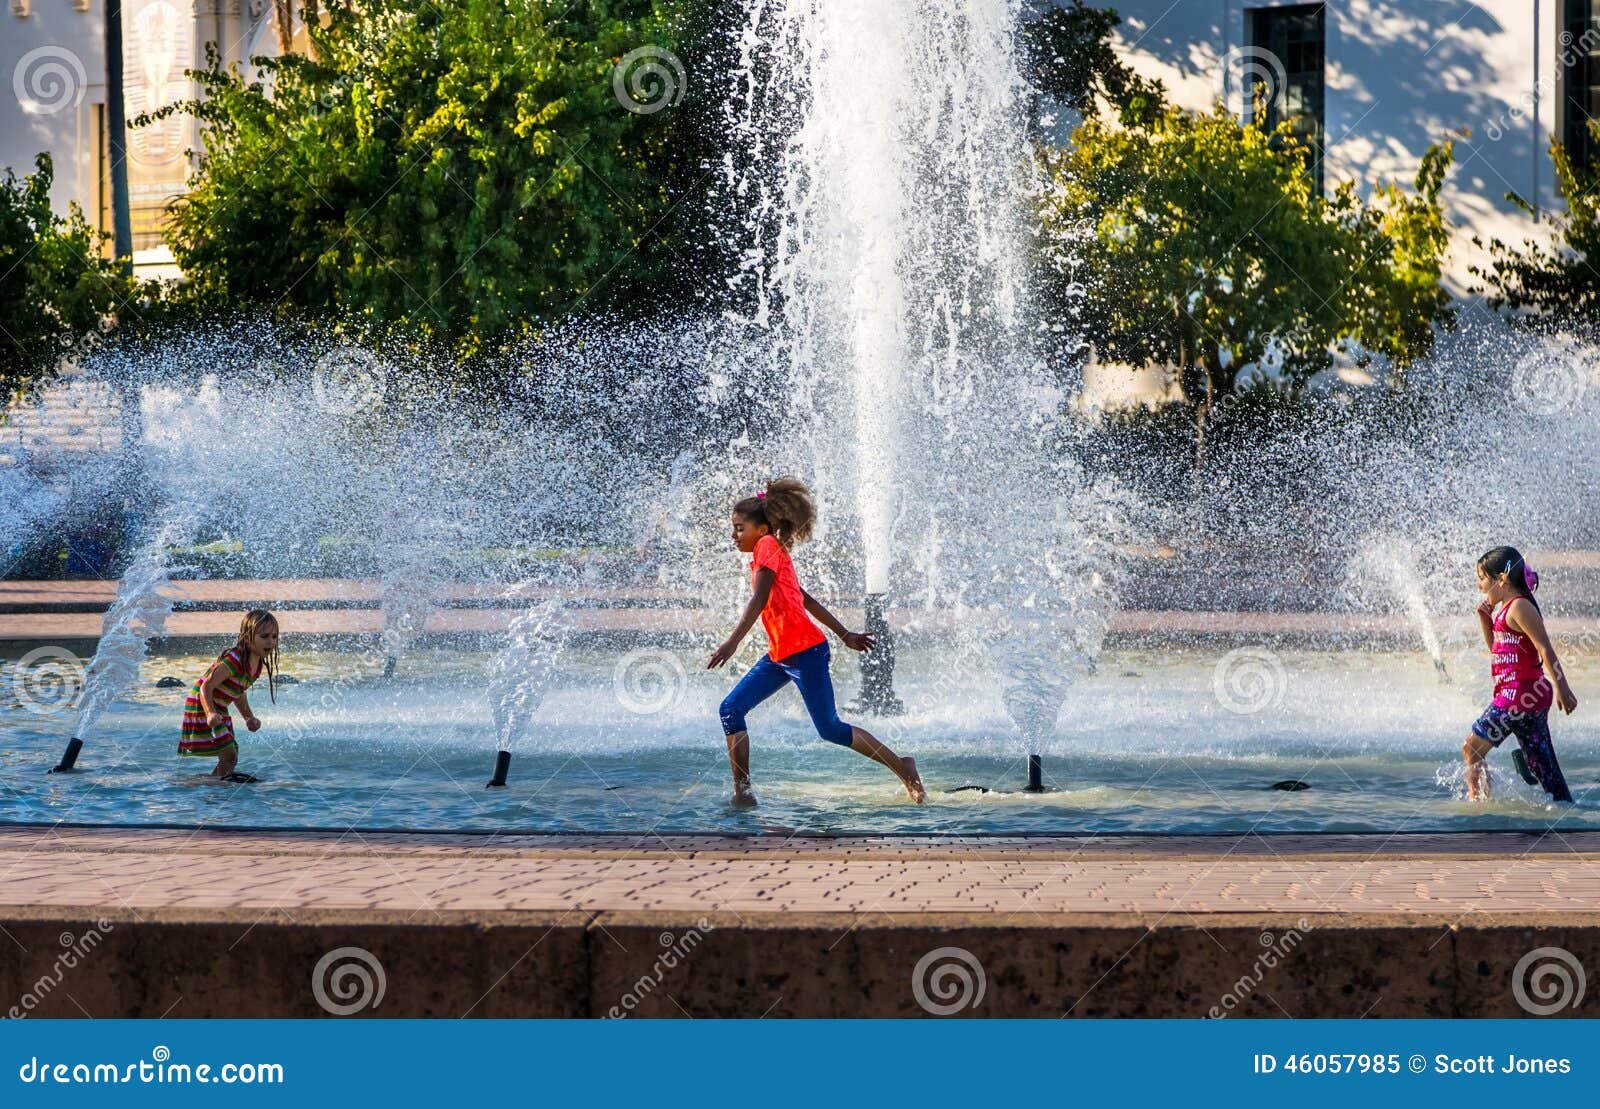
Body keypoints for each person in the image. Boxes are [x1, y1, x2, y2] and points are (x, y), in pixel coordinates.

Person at [709, 476, 925, 808]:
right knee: (731, 709)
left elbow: (759, 599)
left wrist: (732, 643)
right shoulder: (771, 552)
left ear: (762, 529)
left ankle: (903, 767)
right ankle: (744, 793)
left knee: (831, 729)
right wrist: (844, 634)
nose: (734, 535)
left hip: (805, 653)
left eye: (740, 528)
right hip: (783, 655)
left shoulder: (767, 547)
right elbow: (803, 598)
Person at [1462, 547, 1576, 803]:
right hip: (1526, 697)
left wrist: (1563, 688)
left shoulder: (1519, 607)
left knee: (1471, 749)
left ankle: (1478, 806)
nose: (1480, 586)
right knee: (1544, 769)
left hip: (1518, 695)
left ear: (1501, 578)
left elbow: (1544, 648)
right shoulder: (1505, 610)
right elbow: (1497, 650)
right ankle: (1566, 811)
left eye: (1482, 578)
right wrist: (1485, 620)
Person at [179, 609, 279, 781]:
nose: (270, 642)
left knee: (230, 756)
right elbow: (206, 686)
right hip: (202, 703)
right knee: (229, 754)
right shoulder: (235, 659)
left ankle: (208, 783)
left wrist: (249, 717)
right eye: (264, 637)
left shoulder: (257, 664)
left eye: (274, 637)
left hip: (219, 706)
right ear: (248, 637)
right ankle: (217, 791)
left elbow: (238, 692)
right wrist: (210, 712)